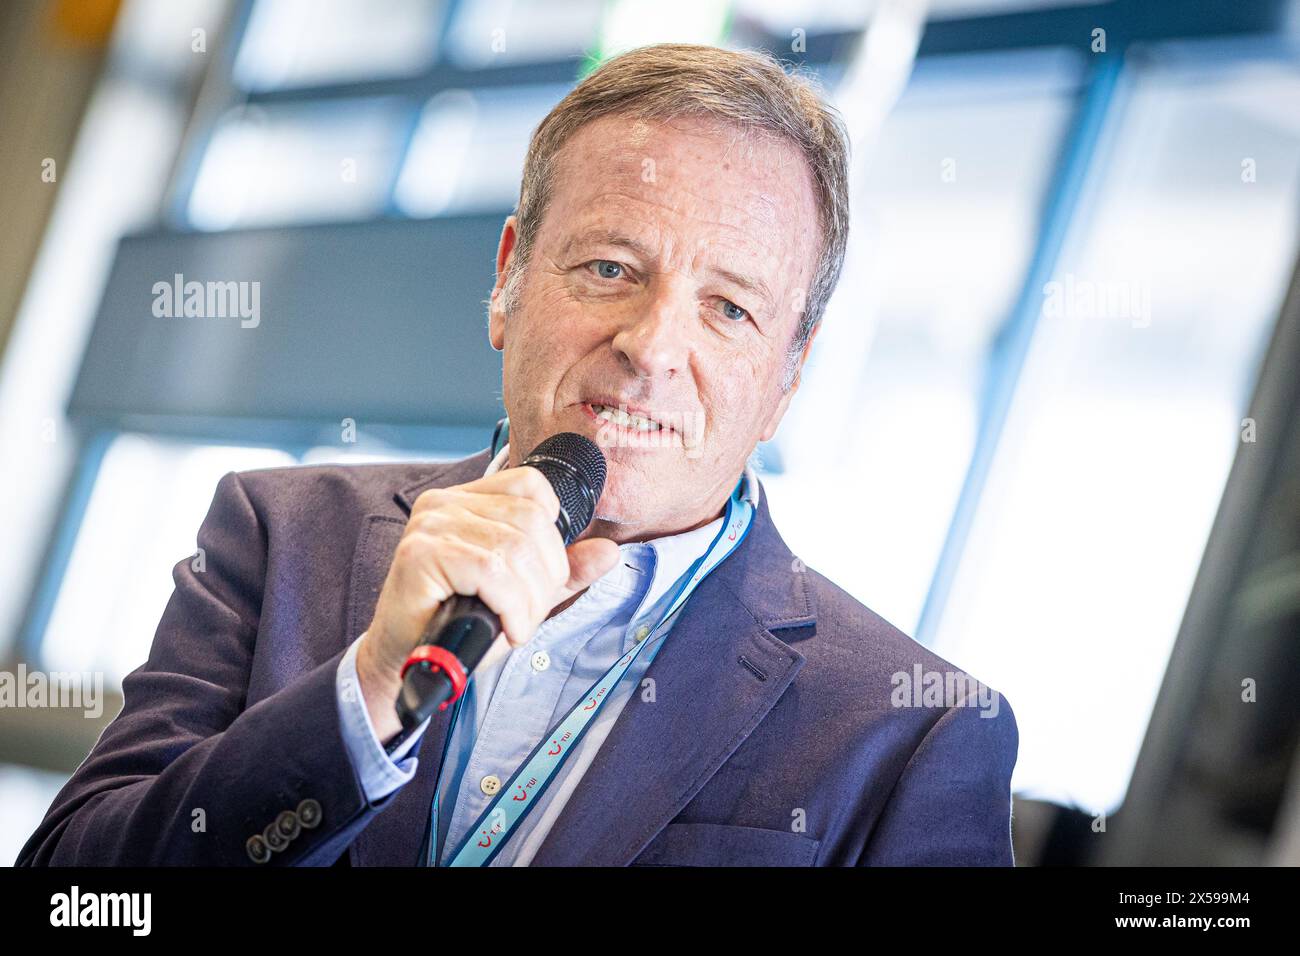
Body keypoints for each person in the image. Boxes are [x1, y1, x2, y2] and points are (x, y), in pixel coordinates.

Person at [18, 43, 1017, 867]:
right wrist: (369, 688)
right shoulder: (279, 532)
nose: (650, 346)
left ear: (789, 375)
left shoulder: (911, 732)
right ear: (507, 281)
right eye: (609, 267)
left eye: (728, 308)